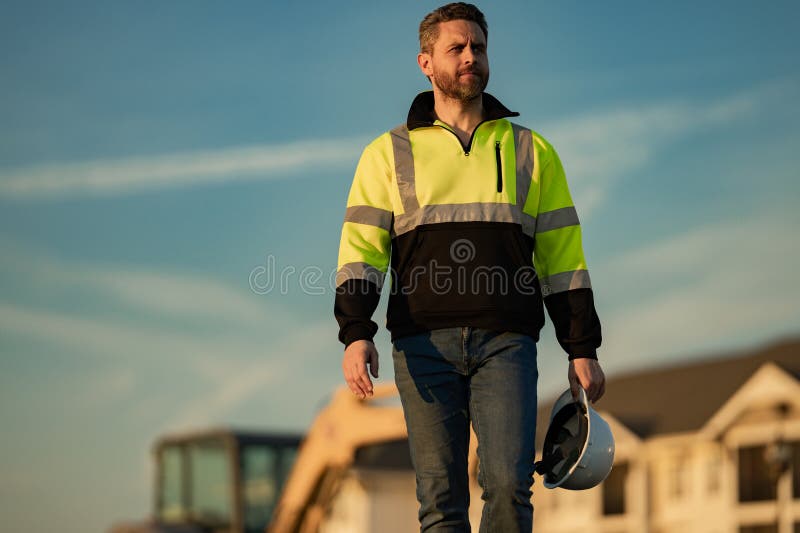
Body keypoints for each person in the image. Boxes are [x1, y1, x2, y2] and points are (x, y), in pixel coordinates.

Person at [334, 3, 606, 531]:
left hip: (506, 341)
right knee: (441, 503)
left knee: (508, 488)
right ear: (425, 62)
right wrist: (355, 332)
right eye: (455, 48)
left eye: (477, 47)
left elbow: (563, 257)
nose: (469, 57)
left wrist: (582, 348)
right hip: (421, 346)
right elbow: (361, 250)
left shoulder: (532, 151)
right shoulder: (387, 154)